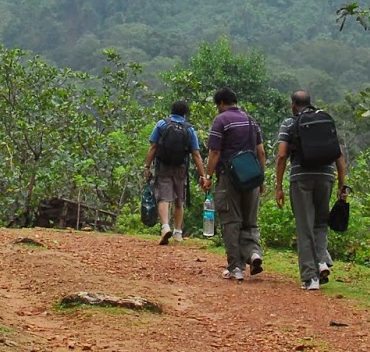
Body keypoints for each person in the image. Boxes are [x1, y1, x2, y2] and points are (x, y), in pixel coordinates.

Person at [273, 90, 349, 290]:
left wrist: (278, 186)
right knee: (320, 222)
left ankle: (310, 278)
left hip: (301, 178)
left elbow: (281, 156)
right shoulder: (325, 119)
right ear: (310, 103)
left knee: (304, 226)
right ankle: (322, 261)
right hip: (326, 177)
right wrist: (342, 185)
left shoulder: (290, 124)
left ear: (293, 105)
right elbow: (339, 156)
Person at [202, 87, 265, 281]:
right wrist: (261, 178)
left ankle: (236, 267)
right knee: (250, 221)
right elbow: (261, 152)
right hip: (252, 177)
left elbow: (215, 152)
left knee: (231, 221)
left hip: (229, 178)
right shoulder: (251, 121)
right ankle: (254, 253)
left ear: (221, 103)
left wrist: (208, 176)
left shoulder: (221, 121)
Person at [143, 100, 209, 244]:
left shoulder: (162, 124)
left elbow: (153, 147)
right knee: (179, 199)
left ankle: (165, 226)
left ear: (171, 110)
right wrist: (203, 175)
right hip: (180, 167)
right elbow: (196, 154)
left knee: (163, 197)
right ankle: (178, 232)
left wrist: (147, 167)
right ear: (185, 113)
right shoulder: (189, 129)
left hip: (163, 166)